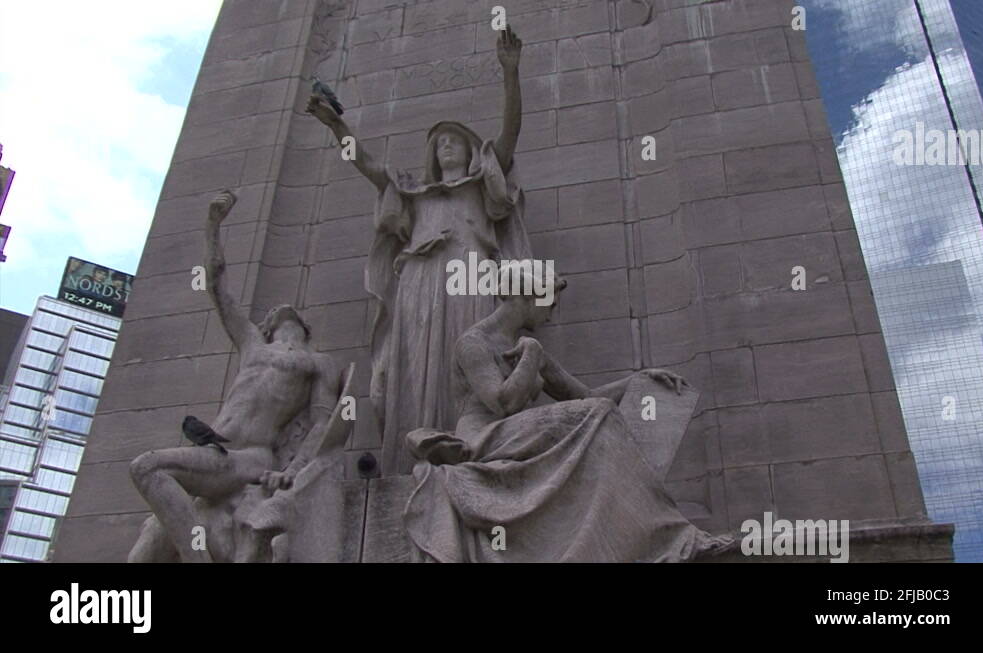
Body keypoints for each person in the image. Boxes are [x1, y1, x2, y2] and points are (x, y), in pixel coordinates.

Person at [307, 27, 531, 475]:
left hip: (470, 274)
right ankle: (412, 453)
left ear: (470, 149)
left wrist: (511, 73)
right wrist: (337, 127)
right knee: (412, 364)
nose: (446, 145)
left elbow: (509, 134)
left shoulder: (481, 181)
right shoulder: (414, 192)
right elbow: (366, 164)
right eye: (439, 141)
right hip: (417, 280)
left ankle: (472, 453)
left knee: (467, 356)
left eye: (455, 139)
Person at [403, 265, 734, 562]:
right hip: (483, 436)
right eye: (550, 303)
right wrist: (532, 354)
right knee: (598, 416)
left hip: (516, 434)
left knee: (601, 418)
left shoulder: (531, 349)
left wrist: (638, 380)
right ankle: (668, 533)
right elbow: (503, 404)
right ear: (529, 295)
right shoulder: (473, 343)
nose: (551, 314)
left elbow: (586, 398)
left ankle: (652, 530)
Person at [128, 191, 346, 563]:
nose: (281, 309)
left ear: (305, 328)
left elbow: (322, 426)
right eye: (275, 310)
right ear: (267, 324)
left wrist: (291, 472)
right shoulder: (252, 344)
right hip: (214, 451)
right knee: (142, 554)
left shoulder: (318, 363)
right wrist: (213, 224)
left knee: (146, 466)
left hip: (249, 457)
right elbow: (217, 286)